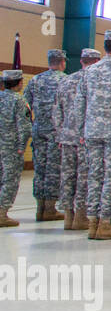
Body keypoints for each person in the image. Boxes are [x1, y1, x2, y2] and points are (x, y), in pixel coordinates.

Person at [70, 28, 111, 241]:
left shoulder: (90, 71)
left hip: (92, 131)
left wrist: (80, 130)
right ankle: (105, 222)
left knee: (95, 176)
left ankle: (92, 222)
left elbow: (80, 103)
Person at [54, 49, 98, 231]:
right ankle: (81, 216)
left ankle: (67, 216)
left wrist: (60, 133)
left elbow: (56, 111)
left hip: (66, 137)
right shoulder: (94, 81)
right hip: (84, 137)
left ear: (81, 61)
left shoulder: (65, 80)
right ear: (96, 61)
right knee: (84, 178)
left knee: (67, 177)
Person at [25, 49, 65, 221]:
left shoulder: (35, 80)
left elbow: (25, 106)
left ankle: (39, 207)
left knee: (40, 169)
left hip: (38, 130)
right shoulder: (65, 80)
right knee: (53, 170)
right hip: (55, 132)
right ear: (62, 62)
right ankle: (50, 208)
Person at [0, 69, 32, 227]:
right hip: (11, 147)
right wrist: (22, 146)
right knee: (10, 180)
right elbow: (25, 127)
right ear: (19, 83)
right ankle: (2, 213)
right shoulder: (19, 101)